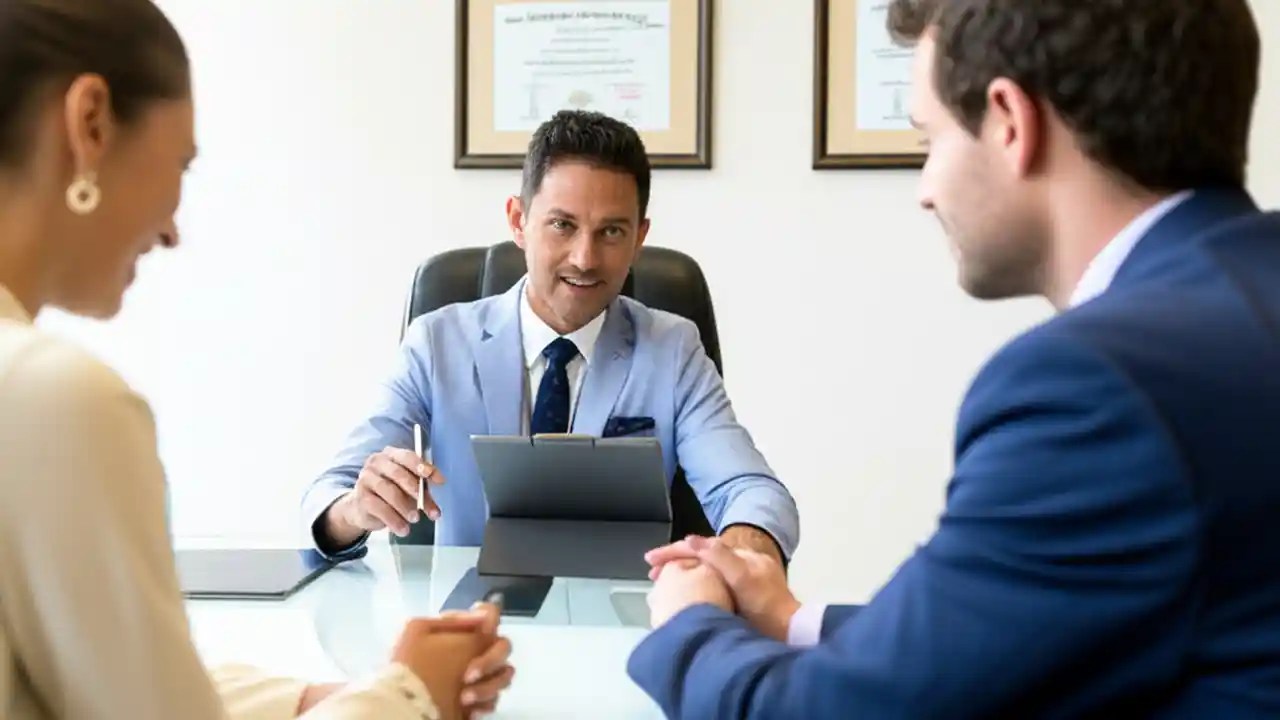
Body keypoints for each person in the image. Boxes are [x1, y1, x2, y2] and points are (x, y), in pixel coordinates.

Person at [630, 0, 1280, 717]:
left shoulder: (1102, 385)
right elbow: (1033, 622)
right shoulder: (1245, 303)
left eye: (928, 141)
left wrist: (688, 624)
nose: (925, 191)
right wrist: (792, 619)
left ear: (1010, 122)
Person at [0, 1, 512, 718]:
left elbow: (120, 683)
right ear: (90, 123)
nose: (173, 229)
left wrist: (318, 696)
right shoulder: (55, 399)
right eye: (180, 163)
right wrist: (409, 694)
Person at [302, 110, 800, 567]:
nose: (584, 258)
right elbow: (328, 493)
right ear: (519, 221)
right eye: (562, 225)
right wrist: (354, 509)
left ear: (639, 237)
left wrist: (742, 553)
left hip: (619, 626)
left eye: (611, 232)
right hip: (466, 625)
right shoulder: (437, 342)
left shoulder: (673, 350)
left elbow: (753, 491)